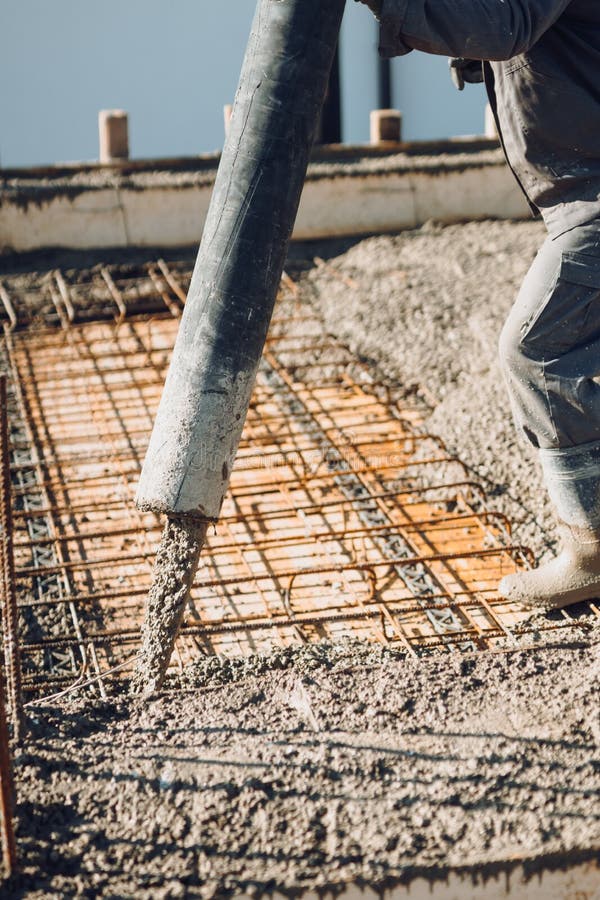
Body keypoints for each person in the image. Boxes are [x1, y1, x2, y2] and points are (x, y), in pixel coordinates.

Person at [356, 0, 600, 610]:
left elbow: (501, 27)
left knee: (537, 349)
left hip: (595, 199)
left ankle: (592, 554)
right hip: (580, 193)